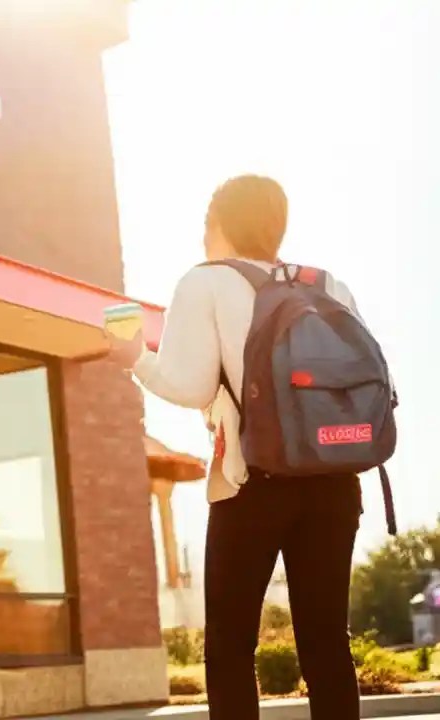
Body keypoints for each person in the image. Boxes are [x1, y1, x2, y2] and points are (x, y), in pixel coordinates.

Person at [110, 175, 366, 719]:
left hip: (254, 482)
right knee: (326, 646)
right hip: (335, 481)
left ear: (219, 224)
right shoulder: (328, 285)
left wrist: (133, 355)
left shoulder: (205, 282)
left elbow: (190, 385)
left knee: (229, 648)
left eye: (206, 224)